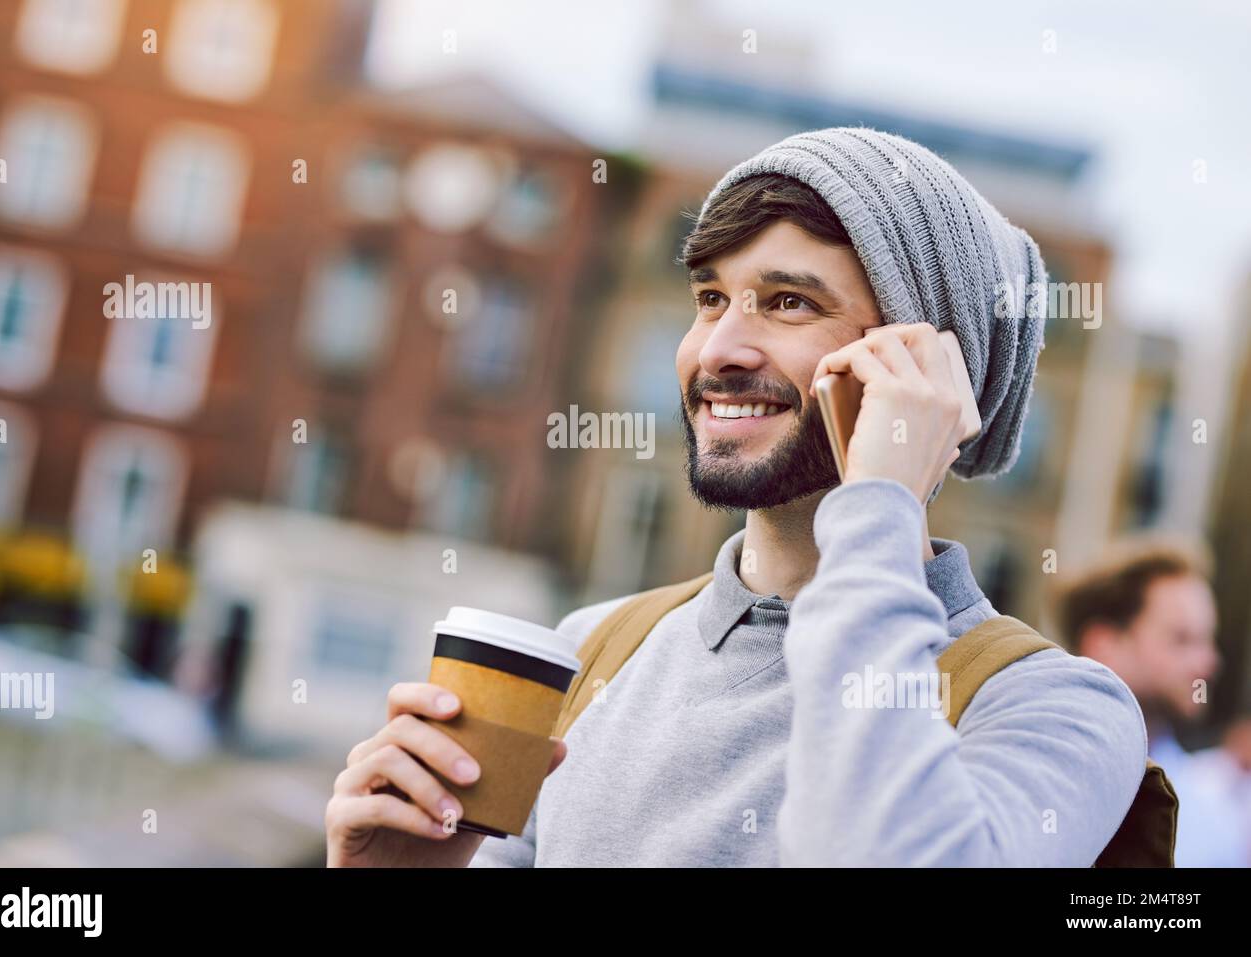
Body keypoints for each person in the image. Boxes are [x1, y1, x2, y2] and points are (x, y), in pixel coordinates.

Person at [325, 127, 1148, 867]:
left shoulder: (1053, 707)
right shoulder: (591, 652)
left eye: (789, 302)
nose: (716, 350)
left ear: (925, 369)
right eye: (711, 298)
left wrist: (879, 499)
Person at [1059, 544, 1248, 867]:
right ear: (1104, 643)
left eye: (1208, 640)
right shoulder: (1030, 774)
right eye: (1182, 639)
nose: (1210, 662)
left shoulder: (1216, 822)